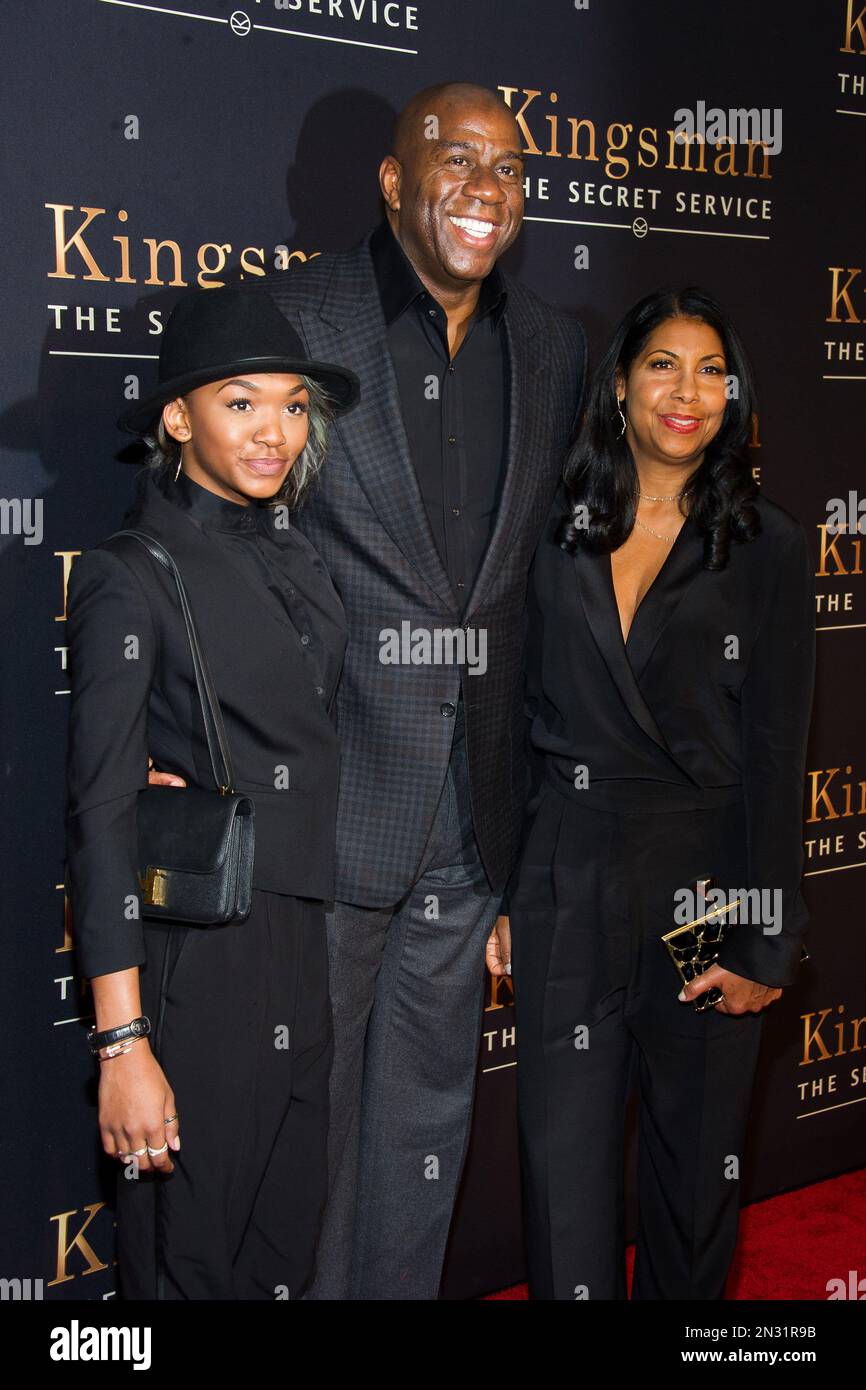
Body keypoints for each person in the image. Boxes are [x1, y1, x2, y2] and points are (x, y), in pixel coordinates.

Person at [215, 81, 585, 1300]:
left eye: (510, 166)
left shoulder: (552, 348)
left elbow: (541, 599)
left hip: (470, 823)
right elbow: (218, 549)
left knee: (422, 1140)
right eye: (455, 157)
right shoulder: (295, 317)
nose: (485, 187)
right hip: (317, 813)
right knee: (299, 1139)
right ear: (391, 179)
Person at [494, 288, 816, 1299]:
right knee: (564, 1174)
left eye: (710, 368)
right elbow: (502, 718)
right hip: (568, 869)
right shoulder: (548, 530)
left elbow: (775, 753)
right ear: (619, 388)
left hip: (704, 885)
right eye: (662, 366)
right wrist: (503, 884)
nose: (688, 391)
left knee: (693, 1179)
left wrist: (765, 936)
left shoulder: (769, 546)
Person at [65, 285, 359, 1299]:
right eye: (240, 403)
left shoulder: (296, 552)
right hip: (201, 961)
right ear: (177, 417)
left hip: (298, 943)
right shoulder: (130, 573)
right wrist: (123, 1042)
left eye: (290, 403)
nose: (274, 430)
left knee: (281, 1250)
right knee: (188, 1264)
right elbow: (100, 813)